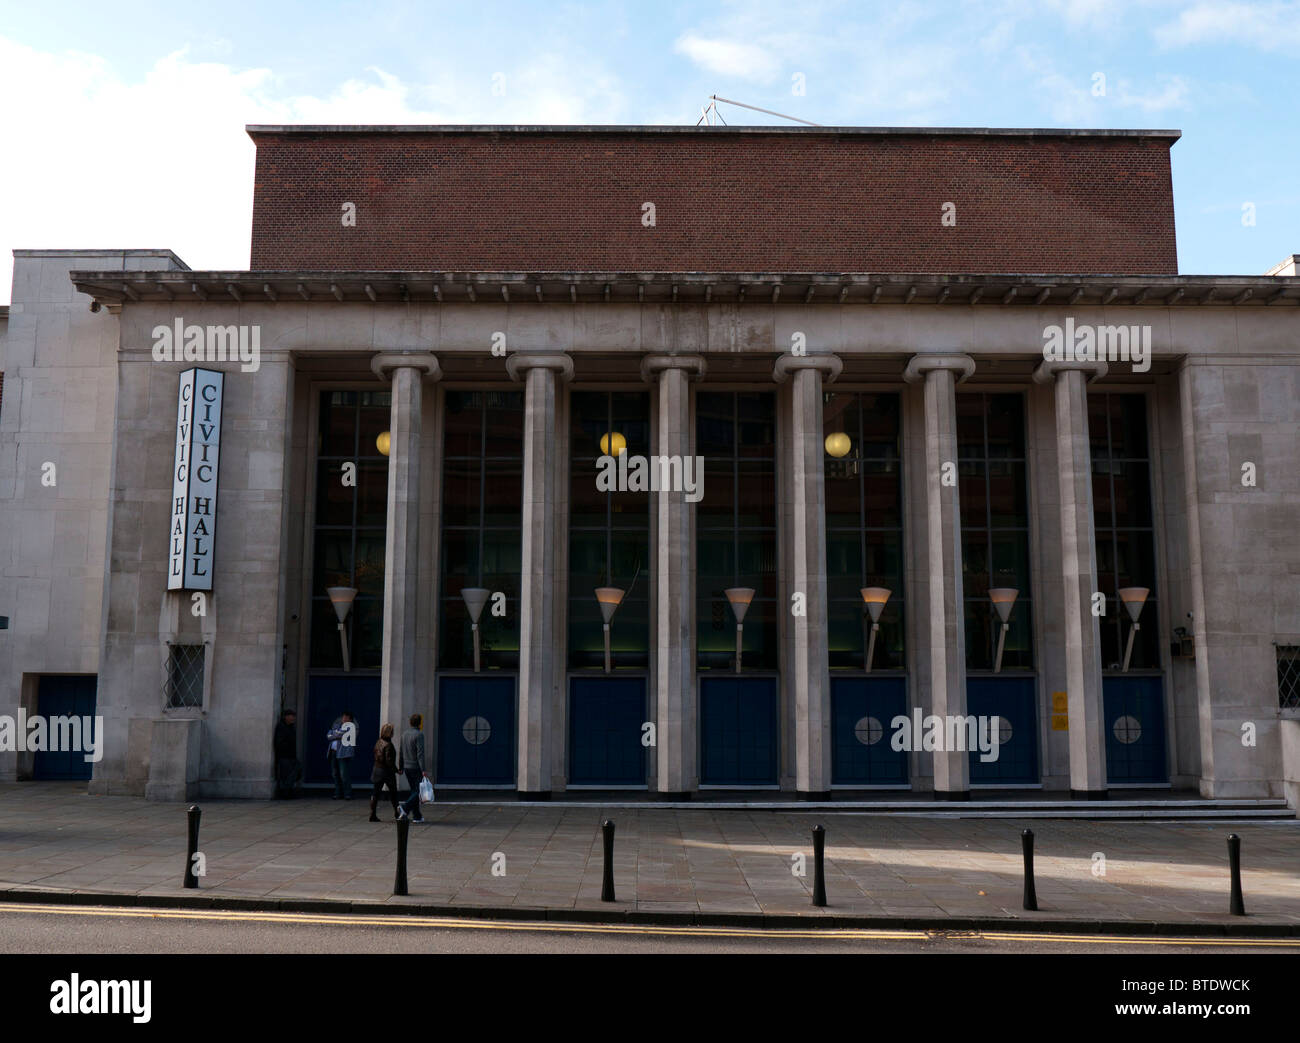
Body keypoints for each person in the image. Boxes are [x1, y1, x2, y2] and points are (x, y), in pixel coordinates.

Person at [396, 712, 428, 822]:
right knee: (418, 791)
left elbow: (400, 751)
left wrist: (400, 766)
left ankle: (417, 816)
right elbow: (420, 753)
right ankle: (404, 807)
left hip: (406, 767)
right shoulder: (419, 735)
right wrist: (423, 769)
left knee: (414, 791)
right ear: (419, 723)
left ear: (410, 722)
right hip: (415, 767)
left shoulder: (404, 734)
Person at [369, 723, 399, 821]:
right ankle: (397, 813)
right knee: (393, 794)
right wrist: (397, 770)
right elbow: (389, 761)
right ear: (390, 733)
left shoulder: (379, 741)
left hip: (377, 770)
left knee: (375, 793)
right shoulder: (389, 745)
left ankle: (372, 814)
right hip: (386, 772)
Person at [326, 710, 356, 800]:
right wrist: (336, 734)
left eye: (346, 717)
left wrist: (335, 734)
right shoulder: (336, 725)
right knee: (335, 774)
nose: (344, 719)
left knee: (344, 774)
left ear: (350, 719)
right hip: (333, 752)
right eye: (343, 717)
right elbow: (328, 735)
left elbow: (341, 734)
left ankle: (348, 793)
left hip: (343, 753)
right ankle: (338, 793)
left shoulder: (351, 727)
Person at [273, 709, 300, 798]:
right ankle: (285, 793)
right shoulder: (281, 727)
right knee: (285, 775)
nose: (293, 718)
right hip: (284, 756)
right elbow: (279, 742)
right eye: (291, 716)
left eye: (293, 716)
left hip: (292, 755)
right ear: (286, 717)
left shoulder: (291, 727)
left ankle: (288, 791)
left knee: (294, 772)